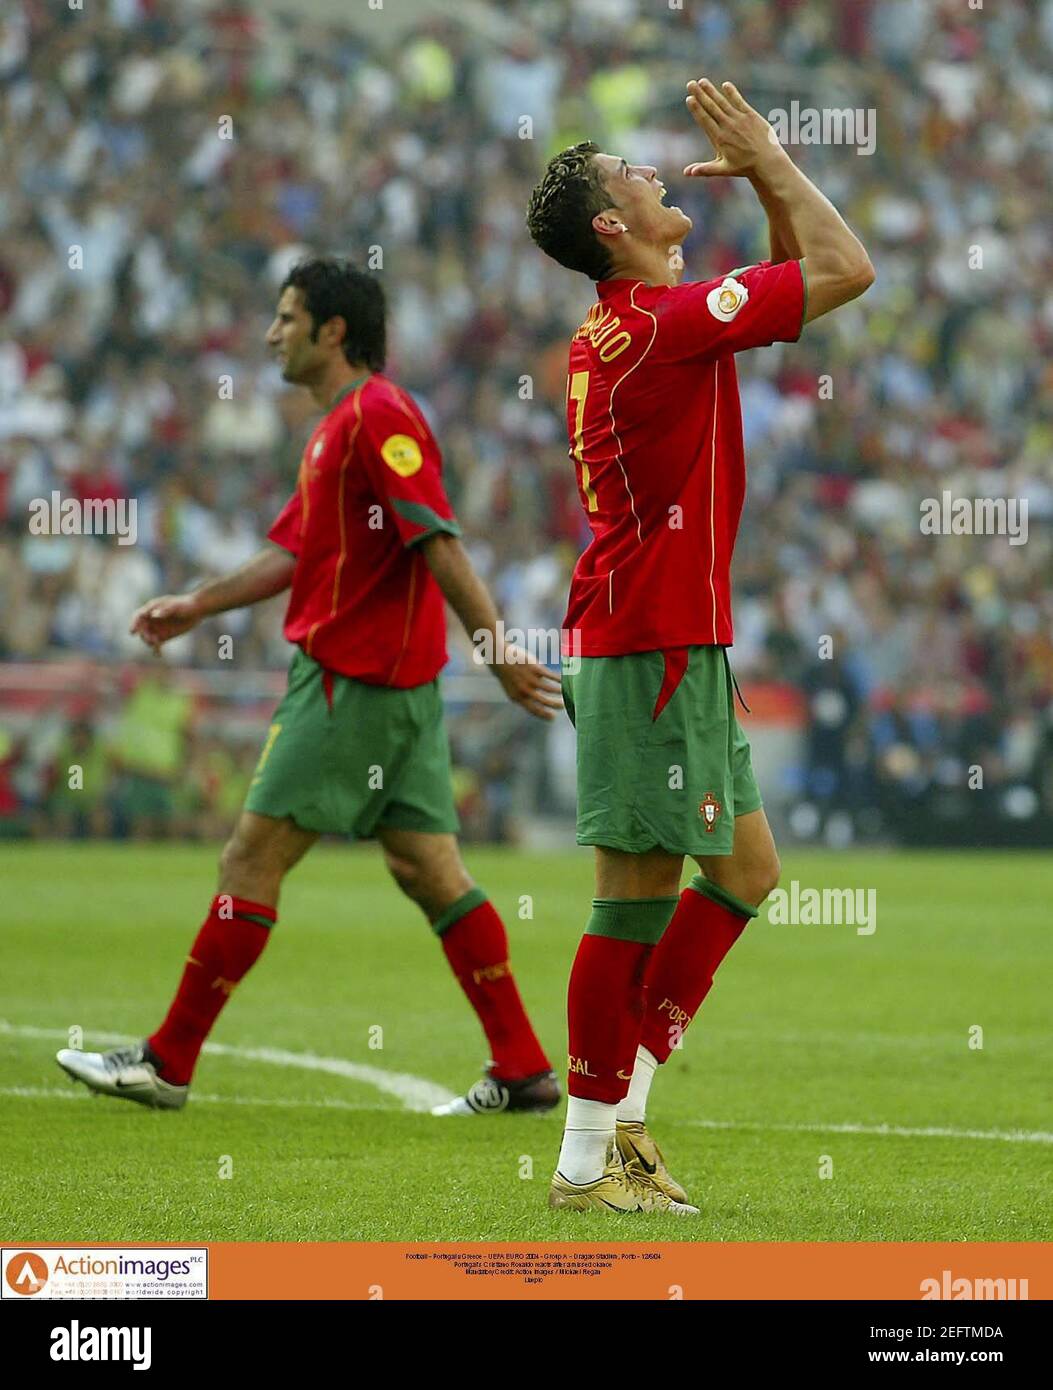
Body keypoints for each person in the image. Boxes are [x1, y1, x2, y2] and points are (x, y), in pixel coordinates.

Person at [57, 257, 564, 1118]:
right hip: (397, 694)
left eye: (287, 318)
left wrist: (500, 649)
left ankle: (167, 1061)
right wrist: (197, 604)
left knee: (249, 859)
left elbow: (436, 538)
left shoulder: (378, 417)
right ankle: (520, 1068)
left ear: (334, 331)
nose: (270, 334)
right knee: (430, 869)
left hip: (350, 688)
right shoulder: (336, 428)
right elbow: (295, 553)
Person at [526, 78, 874, 1212]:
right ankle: (589, 1160)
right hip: (645, 643)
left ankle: (623, 1117)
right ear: (612, 228)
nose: (654, 168)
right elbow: (847, 270)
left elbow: (797, 290)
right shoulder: (656, 331)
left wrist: (774, 184)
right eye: (631, 173)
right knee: (633, 895)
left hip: (681, 638)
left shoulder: (648, 328)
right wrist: (772, 158)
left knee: (748, 871)